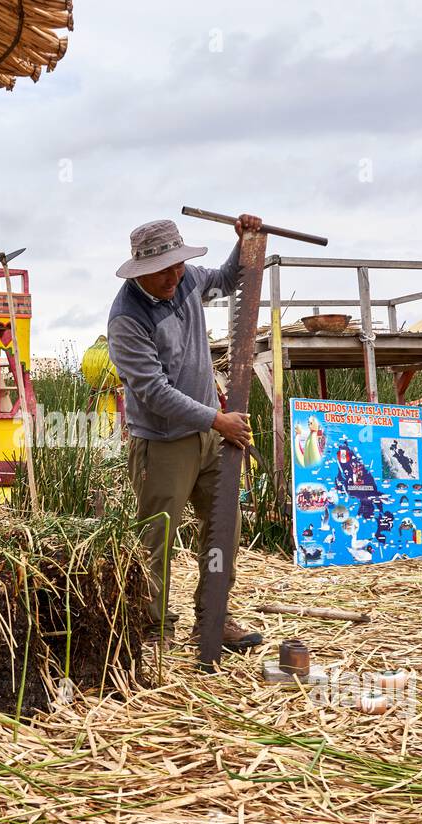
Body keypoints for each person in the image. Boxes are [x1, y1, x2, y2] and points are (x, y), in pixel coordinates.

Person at [107, 215, 265, 651]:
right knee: (156, 538)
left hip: (211, 435)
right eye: (164, 272)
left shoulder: (187, 278)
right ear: (141, 271)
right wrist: (218, 419)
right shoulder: (127, 319)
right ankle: (154, 628)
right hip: (163, 443)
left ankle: (213, 616)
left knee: (223, 527)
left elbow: (229, 280)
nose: (175, 277)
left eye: (179, 267)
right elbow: (154, 392)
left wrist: (243, 241)